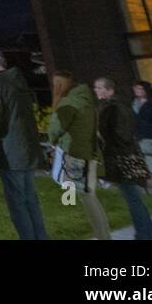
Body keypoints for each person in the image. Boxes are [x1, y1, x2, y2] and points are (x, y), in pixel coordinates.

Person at [0, 49, 47, 240]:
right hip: (27, 149)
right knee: (30, 199)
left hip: (10, 153)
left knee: (17, 203)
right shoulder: (19, 82)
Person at [93, 77, 152, 239]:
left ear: (110, 90)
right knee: (132, 197)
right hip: (123, 156)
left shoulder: (114, 107)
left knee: (133, 198)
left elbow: (121, 134)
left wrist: (104, 140)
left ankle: (146, 234)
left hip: (121, 159)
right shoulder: (115, 106)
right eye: (96, 88)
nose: (97, 91)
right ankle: (145, 233)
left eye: (100, 88)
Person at [48, 71, 110, 239]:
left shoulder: (68, 103)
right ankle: (103, 235)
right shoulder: (86, 101)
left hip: (75, 154)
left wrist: (53, 140)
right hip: (90, 154)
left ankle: (103, 236)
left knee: (88, 198)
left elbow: (54, 130)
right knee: (90, 197)